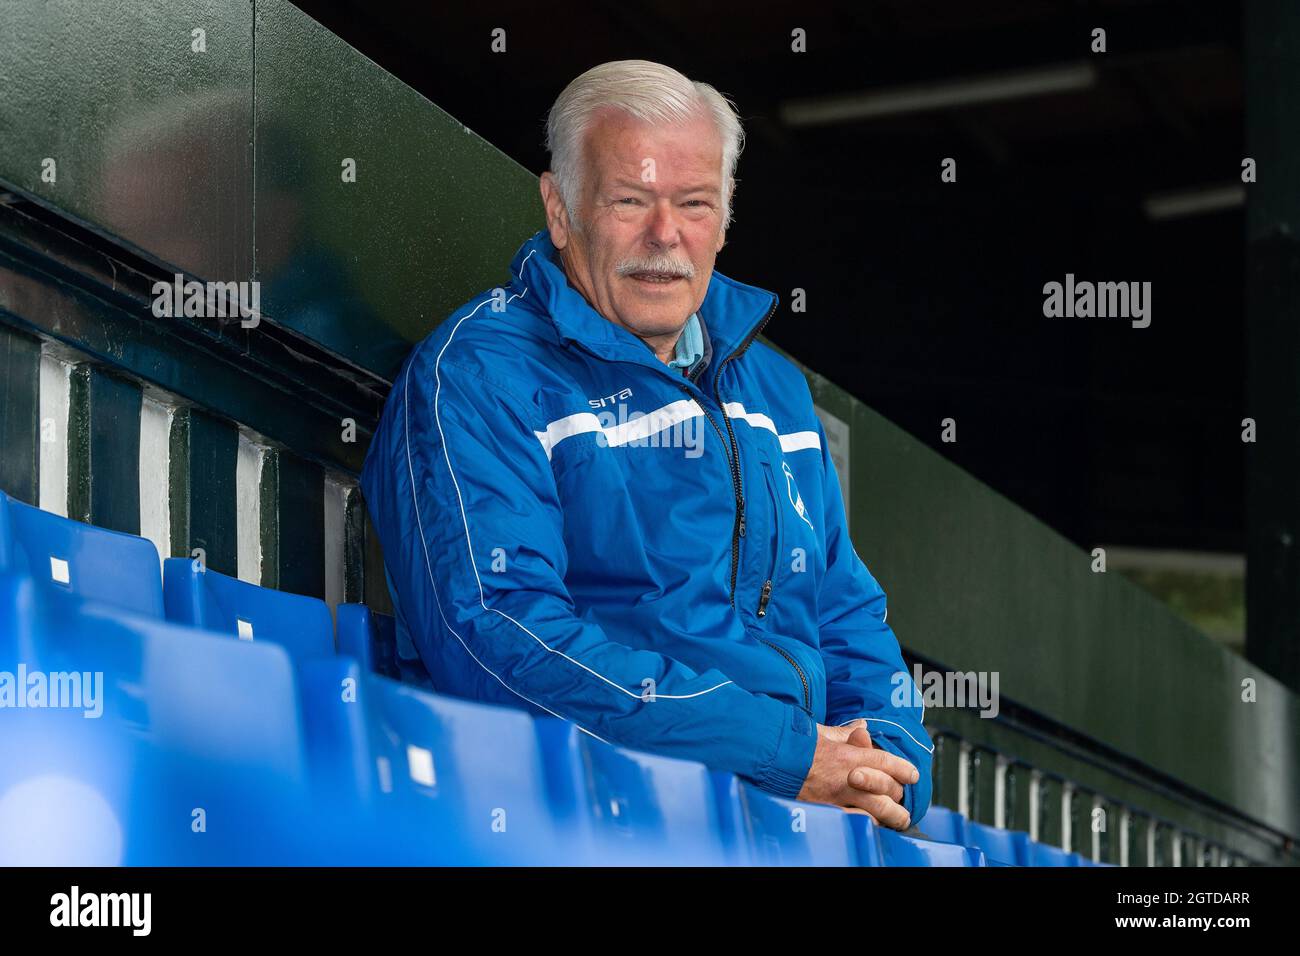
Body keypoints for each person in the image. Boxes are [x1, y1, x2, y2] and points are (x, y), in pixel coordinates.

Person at [361, 59, 931, 829]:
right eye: (630, 201)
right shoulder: (477, 373)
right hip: (588, 812)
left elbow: (846, 613)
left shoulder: (775, 392)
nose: (665, 235)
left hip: (792, 809)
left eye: (694, 203)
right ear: (560, 209)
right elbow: (500, 633)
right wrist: (778, 753)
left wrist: (889, 760)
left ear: (725, 219)